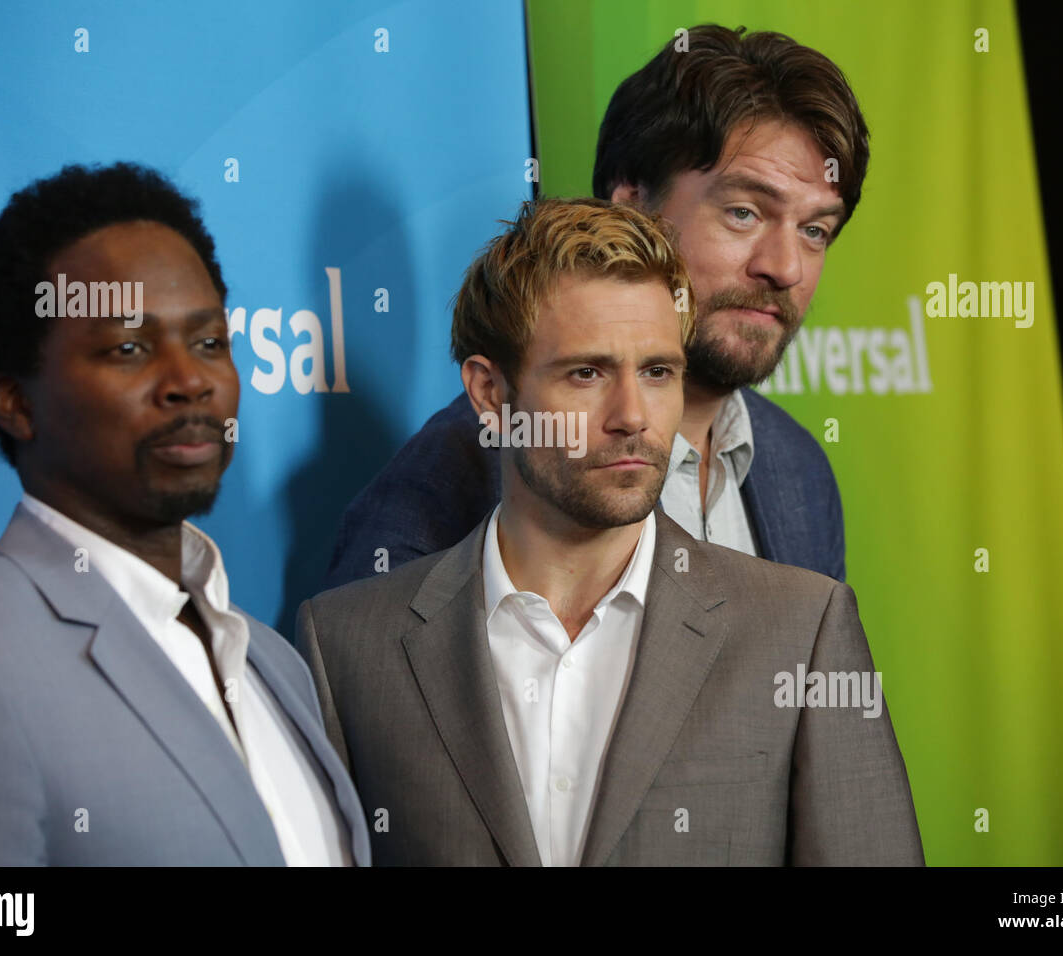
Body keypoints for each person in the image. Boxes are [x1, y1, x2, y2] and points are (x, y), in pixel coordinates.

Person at [298, 199, 922, 866]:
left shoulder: (803, 629)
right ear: (489, 394)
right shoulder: (348, 647)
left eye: (657, 372)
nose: (632, 416)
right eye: (586, 373)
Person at [0, 162, 369, 866]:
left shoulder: (274, 662)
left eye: (208, 343)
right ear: (15, 403)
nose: (189, 381)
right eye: (129, 349)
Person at [324, 26, 863, 590]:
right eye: (745, 213)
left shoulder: (799, 470)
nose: (786, 267)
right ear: (632, 205)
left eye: (814, 229)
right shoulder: (444, 487)